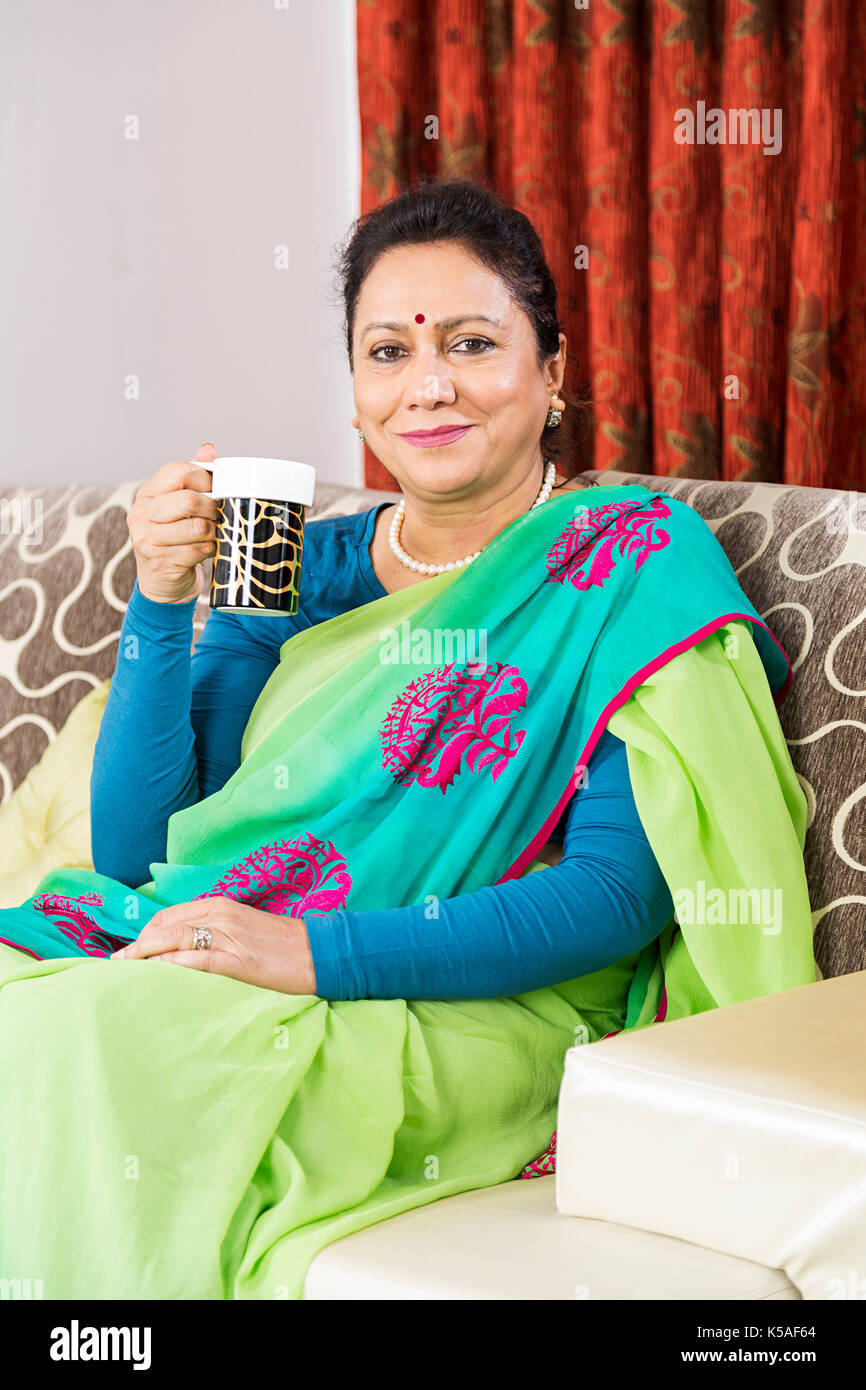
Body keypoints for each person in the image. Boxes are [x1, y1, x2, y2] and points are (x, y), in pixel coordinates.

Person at [0, 177, 817, 1299]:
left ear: (552, 375)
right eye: (386, 352)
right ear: (352, 392)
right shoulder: (294, 567)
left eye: (472, 343)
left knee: (78, 1046)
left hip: (483, 1004)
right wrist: (156, 597)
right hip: (224, 949)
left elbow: (615, 896)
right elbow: (144, 851)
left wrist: (305, 955)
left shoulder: (623, 565)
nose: (426, 384)